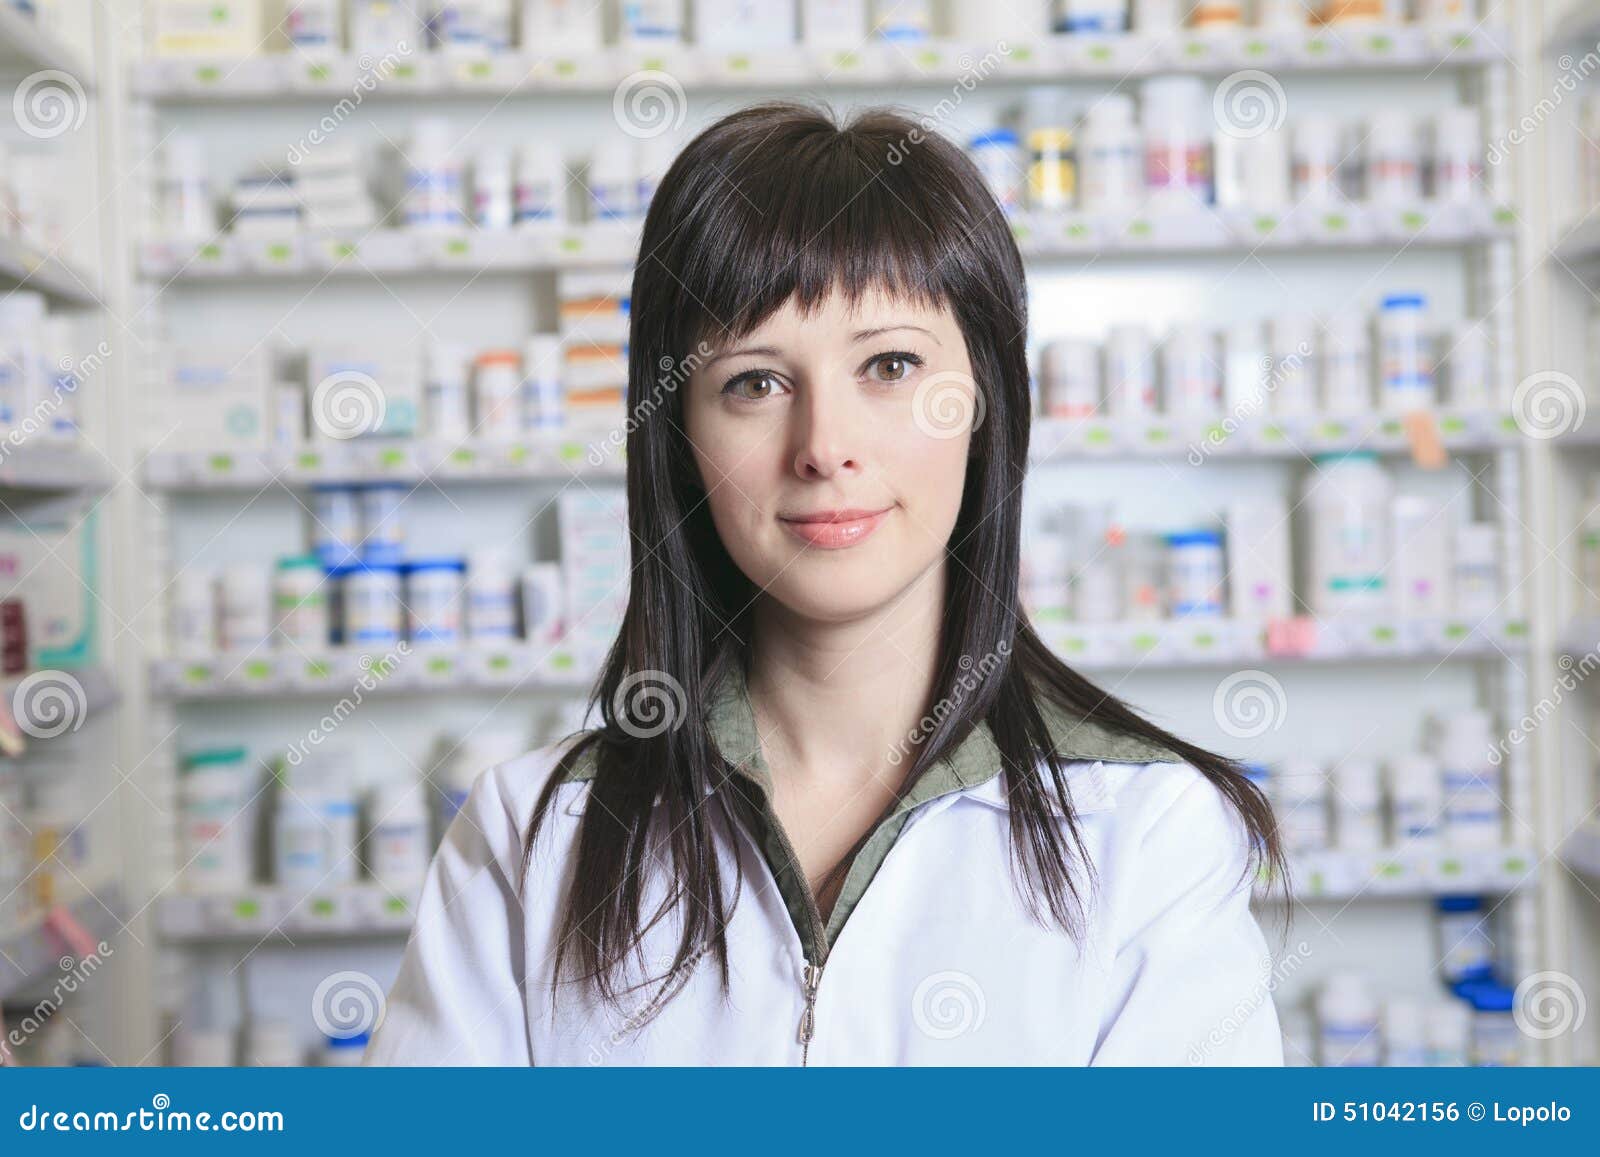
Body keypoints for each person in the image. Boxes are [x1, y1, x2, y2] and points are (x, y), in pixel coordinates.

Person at [364, 100, 1286, 1066]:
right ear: (679, 439)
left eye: (890, 365)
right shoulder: (532, 837)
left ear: (986, 404)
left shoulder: (1146, 831)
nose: (824, 448)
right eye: (755, 382)